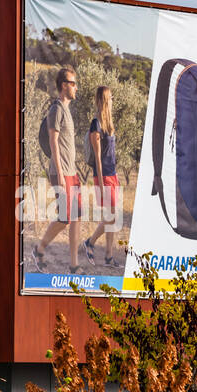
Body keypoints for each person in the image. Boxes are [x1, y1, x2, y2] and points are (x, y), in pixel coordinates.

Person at [33, 66, 82, 269]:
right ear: (64, 85)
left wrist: (73, 170)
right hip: (61, 173)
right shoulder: (56, 109)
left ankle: (74, 265)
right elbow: (53, 141)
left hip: (72, 173)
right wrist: (61, 173)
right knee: (64, 219)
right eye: (73, 83)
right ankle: (39, 249)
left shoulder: (67, 110)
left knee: (77, 217)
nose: (76, 87)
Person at [82, 85, 122, 266]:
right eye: (111, 97)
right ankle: (90, 242)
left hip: (112, 174)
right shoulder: (96, 123)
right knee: (111, 216)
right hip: (103, 176)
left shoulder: (109, 123)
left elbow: (110, 153)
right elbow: (97, 157)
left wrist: (115, 176)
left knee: (114, 216)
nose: (113, 100)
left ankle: (108, 256)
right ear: (105, 99)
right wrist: (101, 182)